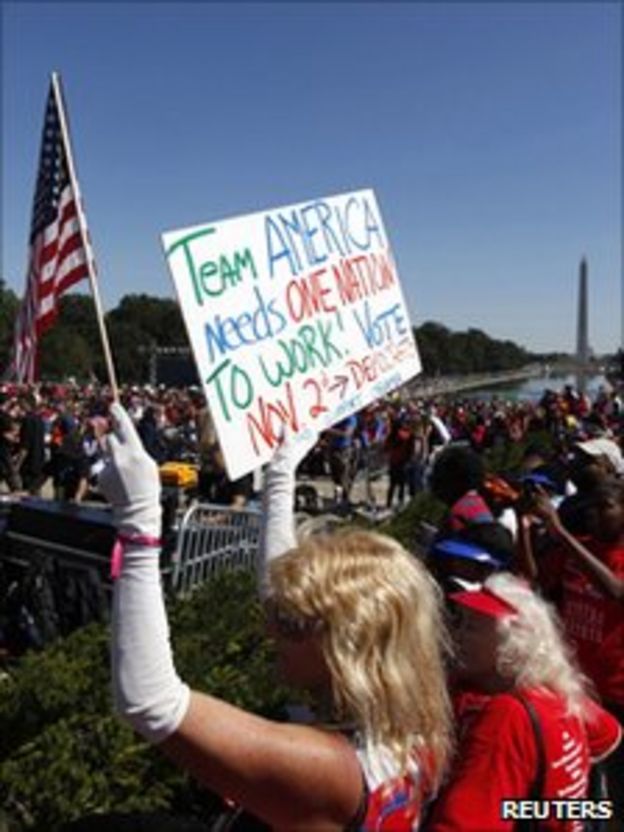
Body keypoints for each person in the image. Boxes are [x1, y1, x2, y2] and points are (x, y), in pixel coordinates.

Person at [101, 404, 452, 831]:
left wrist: (139, 526)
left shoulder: (327, 766)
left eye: (289, 624)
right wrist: (281, 472)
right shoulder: (413, 726)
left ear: (345, 647)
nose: (269, 628)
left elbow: (151, 704)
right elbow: (278, 592)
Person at [426, 573, 622, 831]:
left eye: (471, 626)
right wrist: (537, 807)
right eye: (460, 622)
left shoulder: (508, 715)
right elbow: (609, 734)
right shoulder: (559, 693)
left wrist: (517, 808)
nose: (456, 634)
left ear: (510, 645)